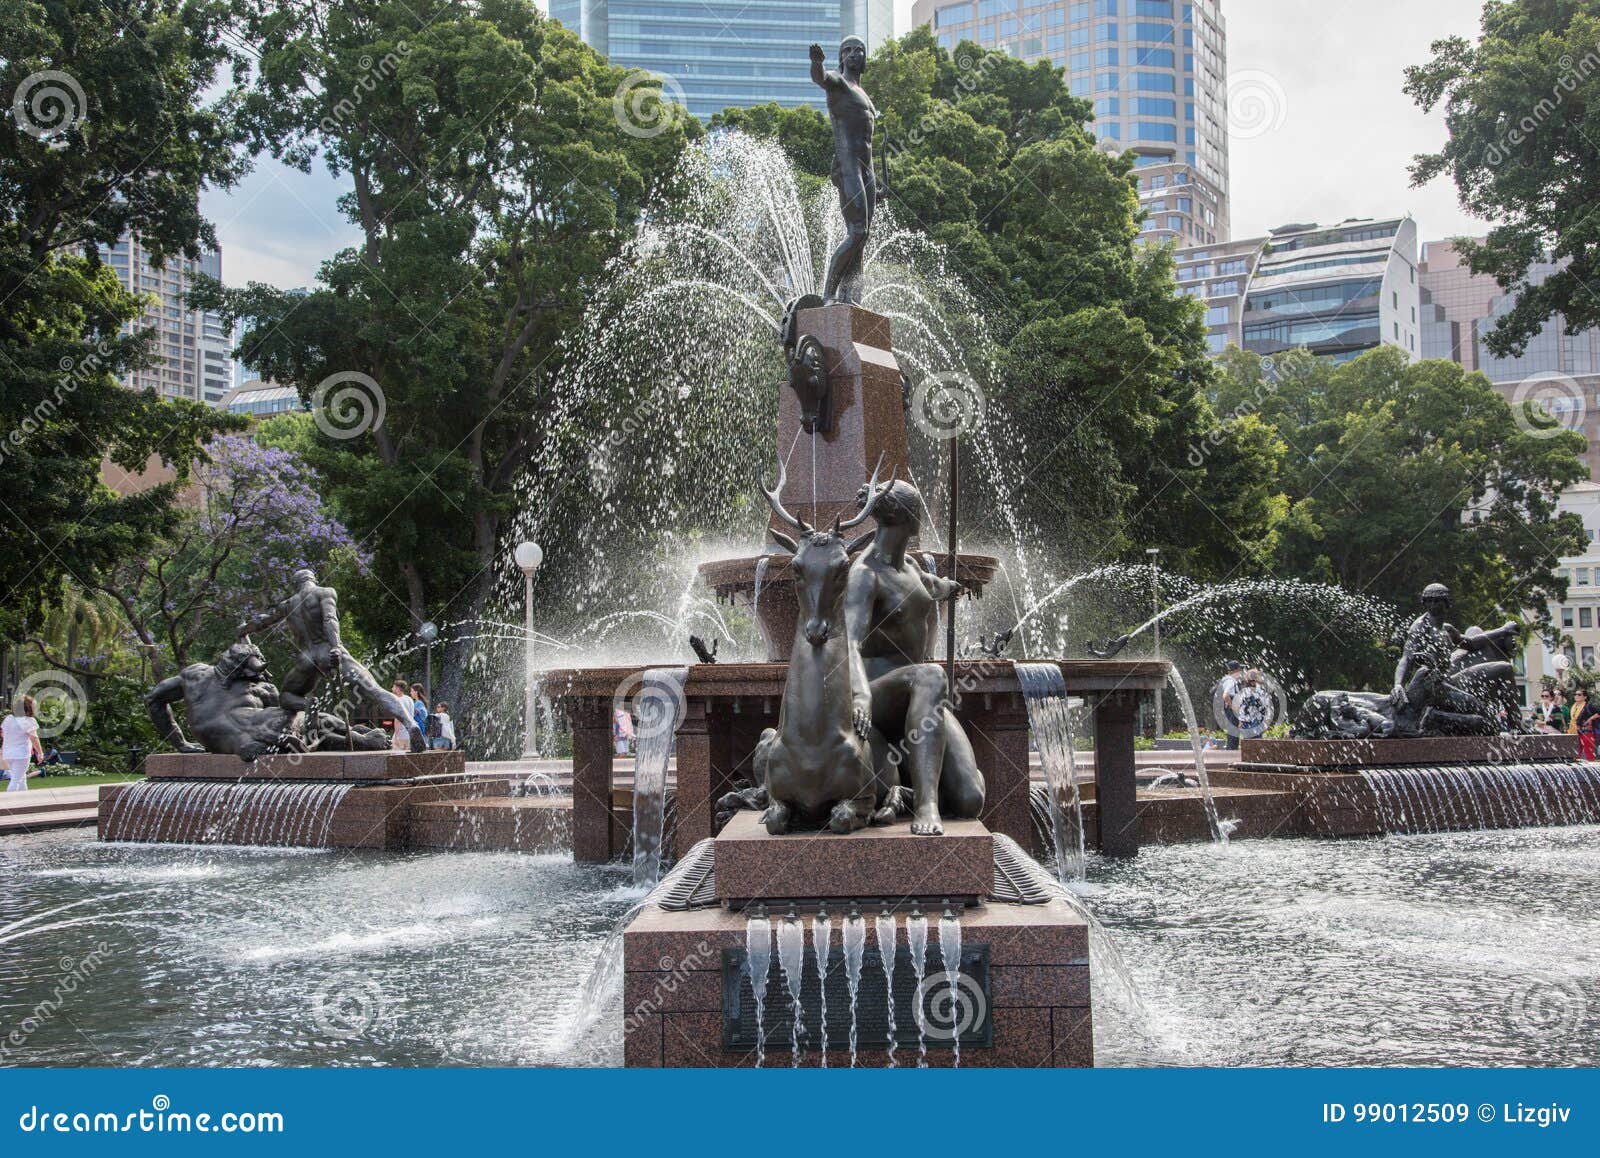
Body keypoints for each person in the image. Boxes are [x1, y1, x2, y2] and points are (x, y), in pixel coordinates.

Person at [235, 568, 424, 750]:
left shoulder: (288, 604)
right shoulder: (324, 592)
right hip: (328, 651)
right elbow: (330, 619)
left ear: (296, 585)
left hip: (307, 660)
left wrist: (244, 630)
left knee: (286, 697)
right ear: (313, 579)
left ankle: (307, 704)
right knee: (374, 691)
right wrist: (336, 646)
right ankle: (411, 724)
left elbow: (263, 621)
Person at [809, 37, 877, 304]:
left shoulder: (865, 96)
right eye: (847, 50)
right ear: (840, 57)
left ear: (864, 57)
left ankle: (852, 298)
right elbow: (820, 78)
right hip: (848, 167)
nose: (853, 54)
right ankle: (828, 294)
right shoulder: (838, 83)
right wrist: (817, 63)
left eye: (859, 49)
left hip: (867, 171)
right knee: (857, 231)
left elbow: (868, 142)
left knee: (864, 238)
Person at [3, 695, 44, 792]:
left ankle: (24, 802)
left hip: (8, 754)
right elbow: (34, 738)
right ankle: (8, 805)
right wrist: (40, 753)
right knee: (16, 780)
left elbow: (4, 734)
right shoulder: (29, 721)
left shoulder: (9, 719)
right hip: (21, 755)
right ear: (29, 708)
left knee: (21, 779)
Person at [1217, 661, 1244, 750]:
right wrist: (1233, 706)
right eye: (1240, 669)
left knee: (1233, 731)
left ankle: (1231, 750)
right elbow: (1225, 695)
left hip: (1230, 707)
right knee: (1233, 731)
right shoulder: (1230, 681)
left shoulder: (1229, 680)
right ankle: (1231, 751)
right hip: (1231, 708)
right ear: (1235, 670)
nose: (1241, 671)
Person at [389, 680, 416, 752]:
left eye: (393, 687)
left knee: (396, 758)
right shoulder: (409, 699)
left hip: (401, 734)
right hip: (410, 733)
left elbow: (398, 719)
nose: (392, 689)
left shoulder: (398, 701)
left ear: (397, 688)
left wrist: (396, 736)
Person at [1573, 687, 1600, 761]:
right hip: (1576, 732)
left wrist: (1590, 719)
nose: (1576, 696)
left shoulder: (1589, 706)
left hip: (1587, 733)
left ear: (1585, 697)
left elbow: (1599, 713)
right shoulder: (1574, 707)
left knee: (1589, 754)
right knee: (1576, 754)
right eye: (1575, 694)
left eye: (1579, 695)